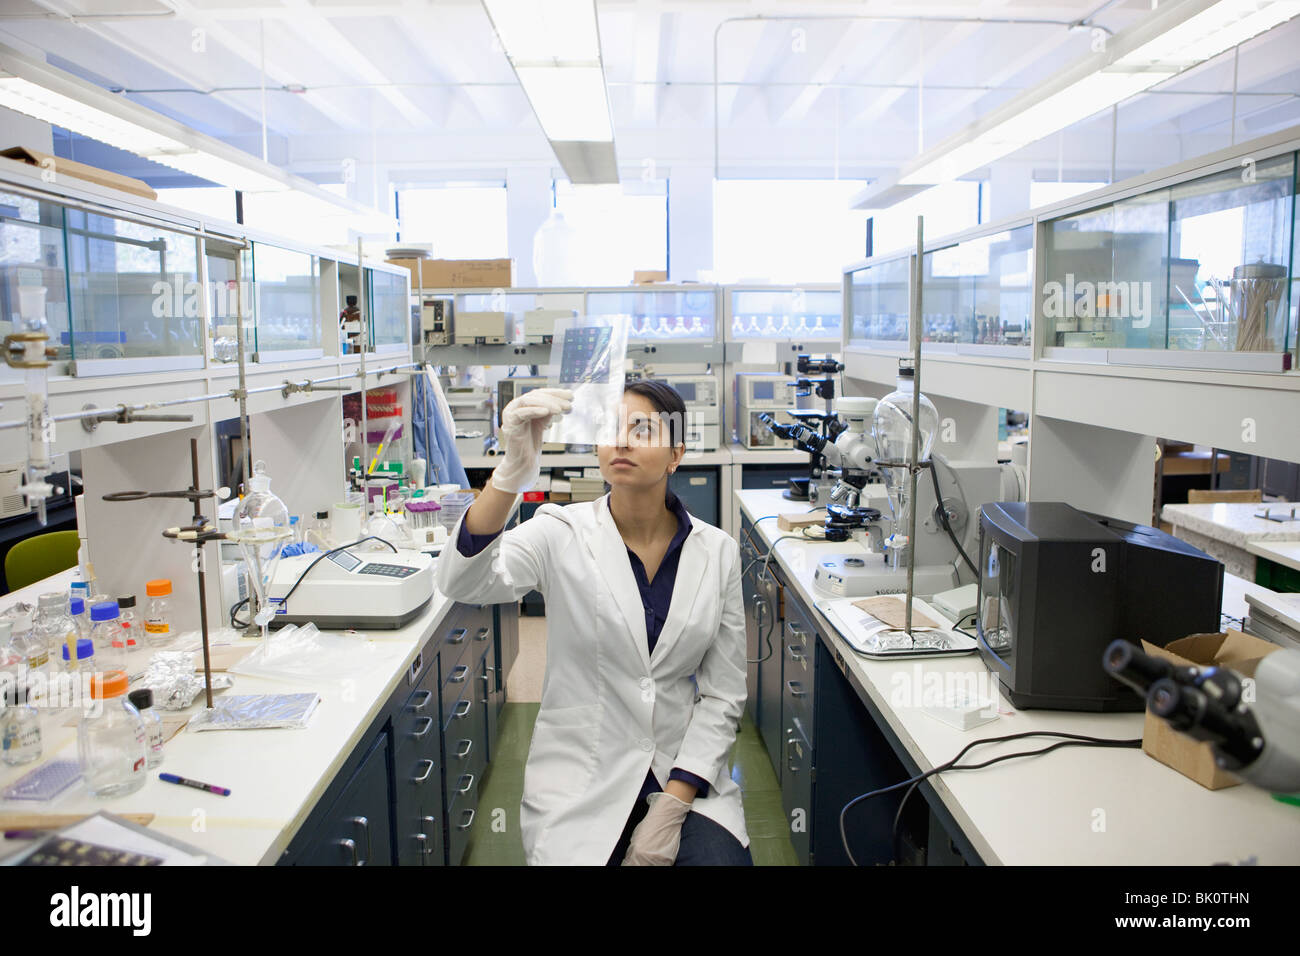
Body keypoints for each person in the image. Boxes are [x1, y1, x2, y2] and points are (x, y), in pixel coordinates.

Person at [435, 380, 751, 866]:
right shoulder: (559, 530)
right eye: (610, 429)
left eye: (642, 430)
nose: (621, 441)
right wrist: (512, 471)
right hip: (580, 775)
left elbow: (723, 694)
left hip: (680, 770)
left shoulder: (718, 552)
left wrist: (675, 801)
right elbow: (465, 581)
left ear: (676, 454)